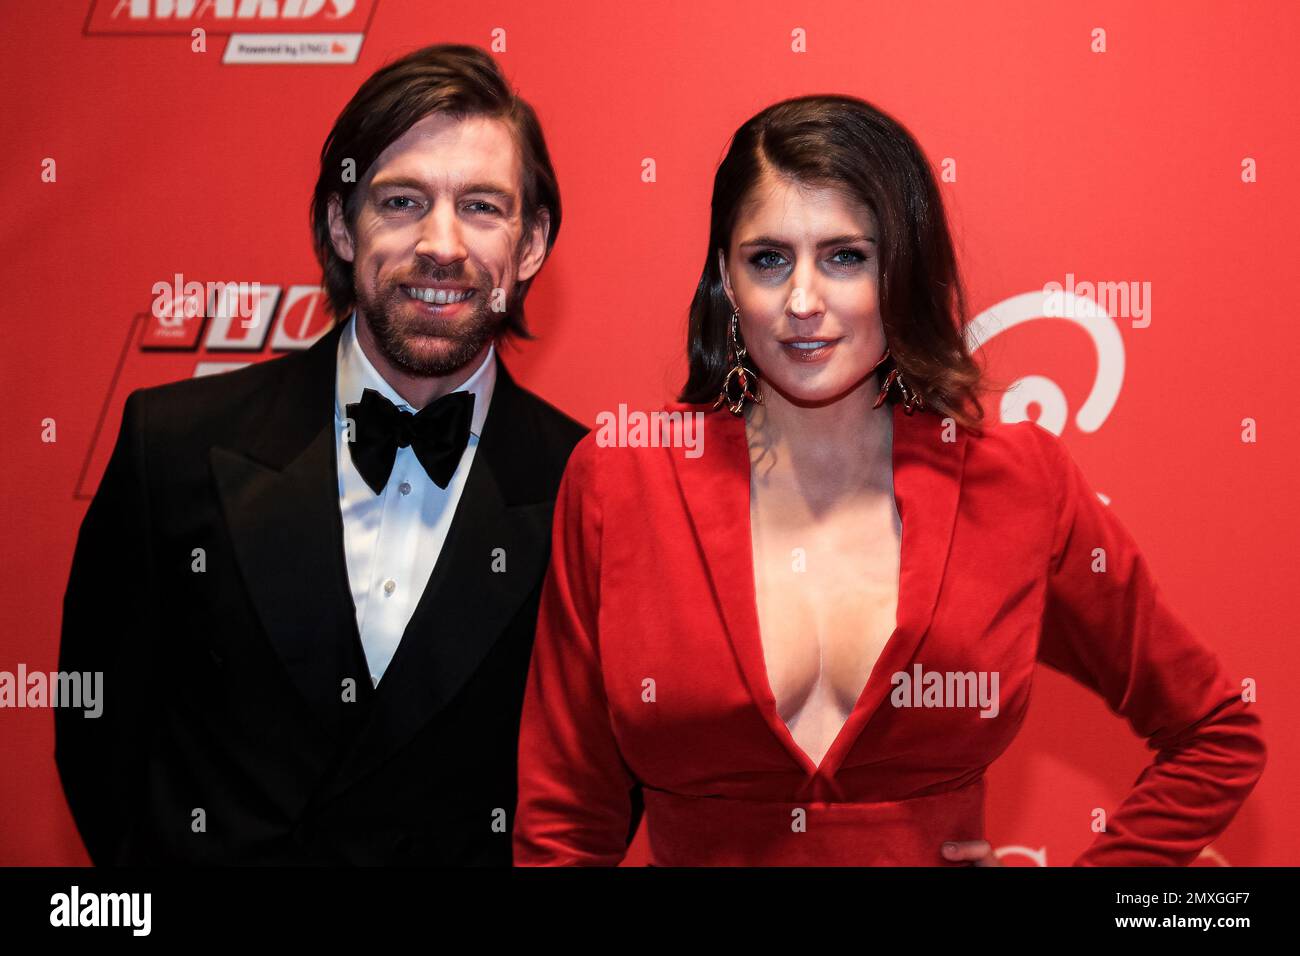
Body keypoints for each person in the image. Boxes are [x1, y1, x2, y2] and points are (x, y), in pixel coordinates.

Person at [512, 94, 1267, 866]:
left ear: (904, 269)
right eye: (768, 259)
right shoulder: (620, 479)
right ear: (725, 282)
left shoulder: (1016, 481)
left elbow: (1214, 731)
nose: (803, 301)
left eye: (846, 256)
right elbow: (564, 820)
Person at [55, 44, 585, 865]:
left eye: (481, 206)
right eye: (402, 201)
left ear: (531, 243)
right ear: (343, 225)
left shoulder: (587, 486)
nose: (441, 245)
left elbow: (588, 796)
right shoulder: (175, 445)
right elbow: (98, 731)